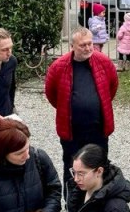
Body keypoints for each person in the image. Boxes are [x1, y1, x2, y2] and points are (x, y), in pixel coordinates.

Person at [45, 27, 119, 183]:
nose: (88, 48)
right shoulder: (59, 67)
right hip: (72, 131)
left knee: (99, 165)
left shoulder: (104, 62)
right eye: (82, 45)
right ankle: (73, 202)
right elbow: (51, 94)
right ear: (72, 46)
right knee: (73, 167)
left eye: (90, 43)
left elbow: (112, 87)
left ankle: (98, 199)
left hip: (98, 129)